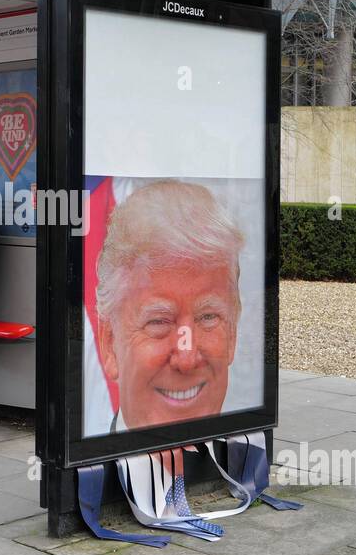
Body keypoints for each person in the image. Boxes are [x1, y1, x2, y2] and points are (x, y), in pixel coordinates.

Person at [92, 180, 244, 433]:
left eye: (207, 317)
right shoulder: (89, 473)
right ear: (109, 343)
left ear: (232, 334)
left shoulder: (249, 466)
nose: (186, 358)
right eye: (159, 322)